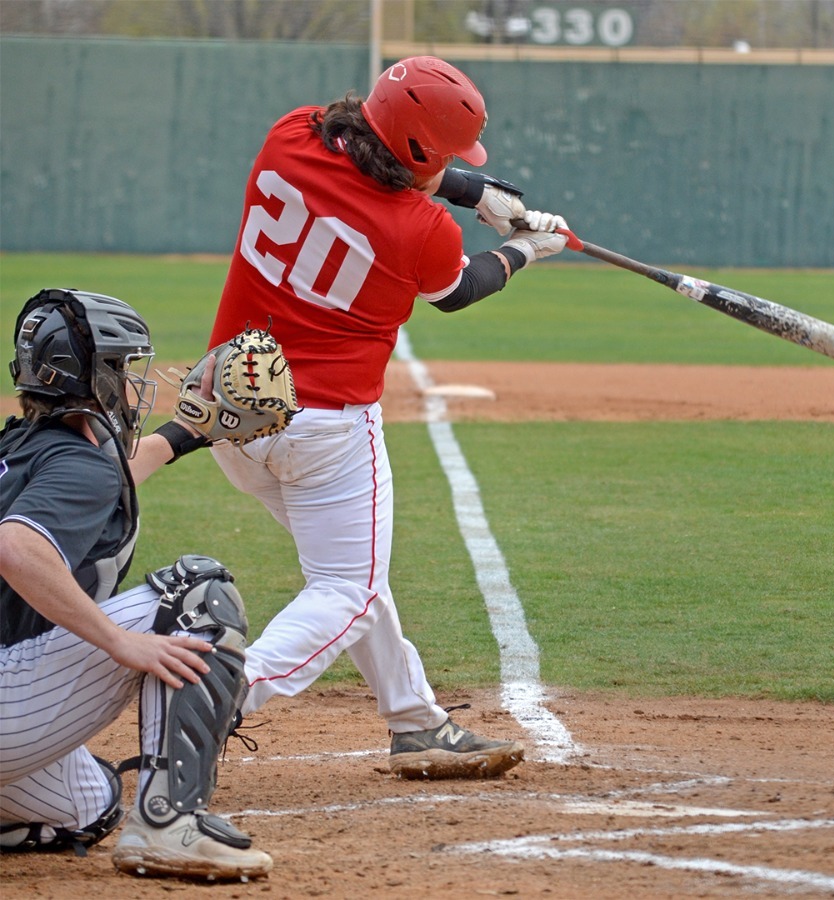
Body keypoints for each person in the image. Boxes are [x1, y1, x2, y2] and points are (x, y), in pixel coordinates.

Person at [205, 56, 566, 778]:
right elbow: (458, 290)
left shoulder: (289, 134)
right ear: (421, 156)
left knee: (352, 574)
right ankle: (222, 694)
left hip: (227, 408)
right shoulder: (420, 229)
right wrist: (525, 248)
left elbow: (379, 150)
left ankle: (416, 722)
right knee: (349, 587)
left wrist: (477, 191)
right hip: (324, 431)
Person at [1, 289, 272, 880]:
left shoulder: (19, 447)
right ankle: (169, 824)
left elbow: (105, 479)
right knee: (198, 594)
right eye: (123, 369)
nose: (132, 385)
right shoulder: (79, 459)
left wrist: (189, 431)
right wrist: (119, 641)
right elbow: (17, 547)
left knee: (89, 804)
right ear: (93, 377)